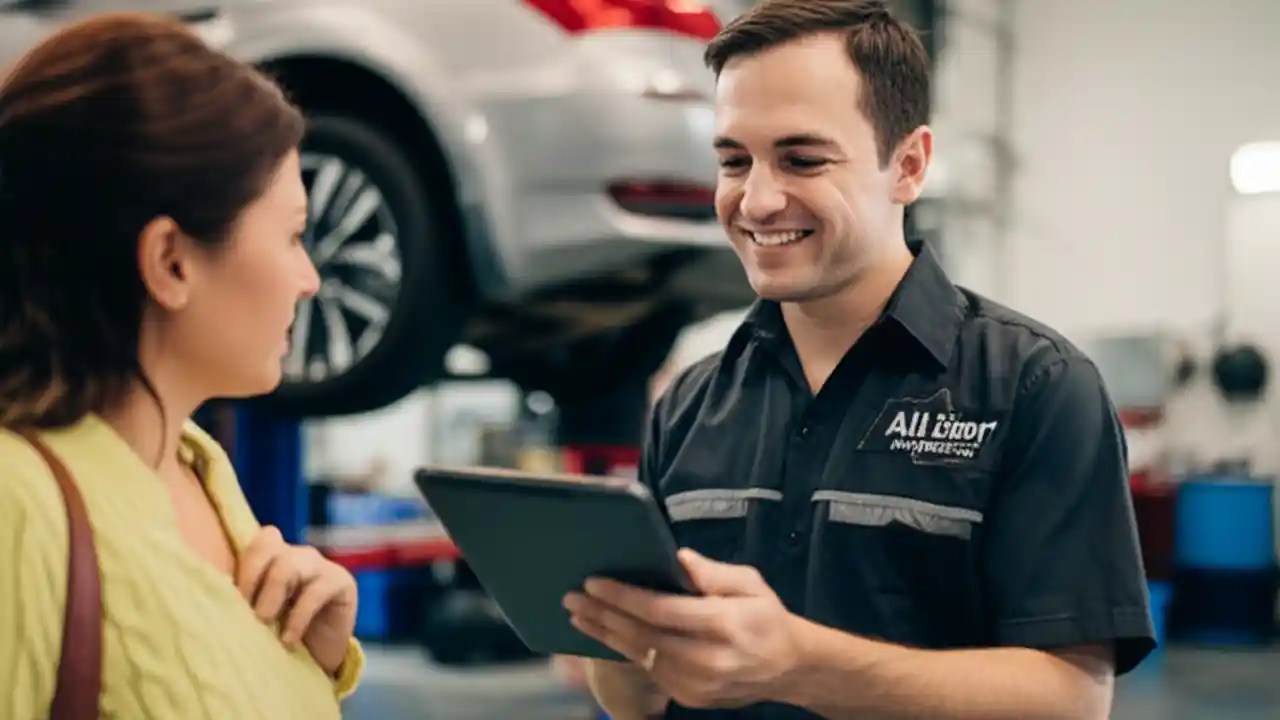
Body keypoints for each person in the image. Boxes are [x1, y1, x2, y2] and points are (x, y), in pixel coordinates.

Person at [564, 1, 1155, 718]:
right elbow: (635, 702)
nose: (756, 199)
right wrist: (625, 648)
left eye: (802, 159)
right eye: (732, 161)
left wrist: (800, 663)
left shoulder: (1036, 389)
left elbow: (1070, 703)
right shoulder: (690, 405)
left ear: (908, 165)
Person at [0, 13, 364, 719]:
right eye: (292, 236)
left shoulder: (194, 463)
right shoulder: (20, 501)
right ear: (170, 261)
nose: (310, 278)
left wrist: (312, 662)